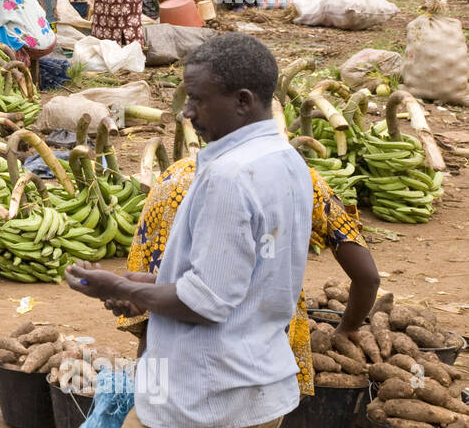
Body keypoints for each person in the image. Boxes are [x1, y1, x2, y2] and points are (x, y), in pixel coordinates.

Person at [65, 33, 314, 428]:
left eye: (199, 98)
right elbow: (238, 280)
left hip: (204, 394)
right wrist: (142, 286)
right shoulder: (286, 161)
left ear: (243, 100)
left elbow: (206, 303)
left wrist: (115, 284)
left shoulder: (228, 175)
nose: (189, 111)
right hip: (258, 384)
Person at [117, 156, 379, 399]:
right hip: (253, 355)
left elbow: (148, 277)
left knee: (157, 412)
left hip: (170, 337)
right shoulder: (303, 181)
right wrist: (348, 327)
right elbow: (368, 277)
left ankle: (145, 406)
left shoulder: (174, 176)